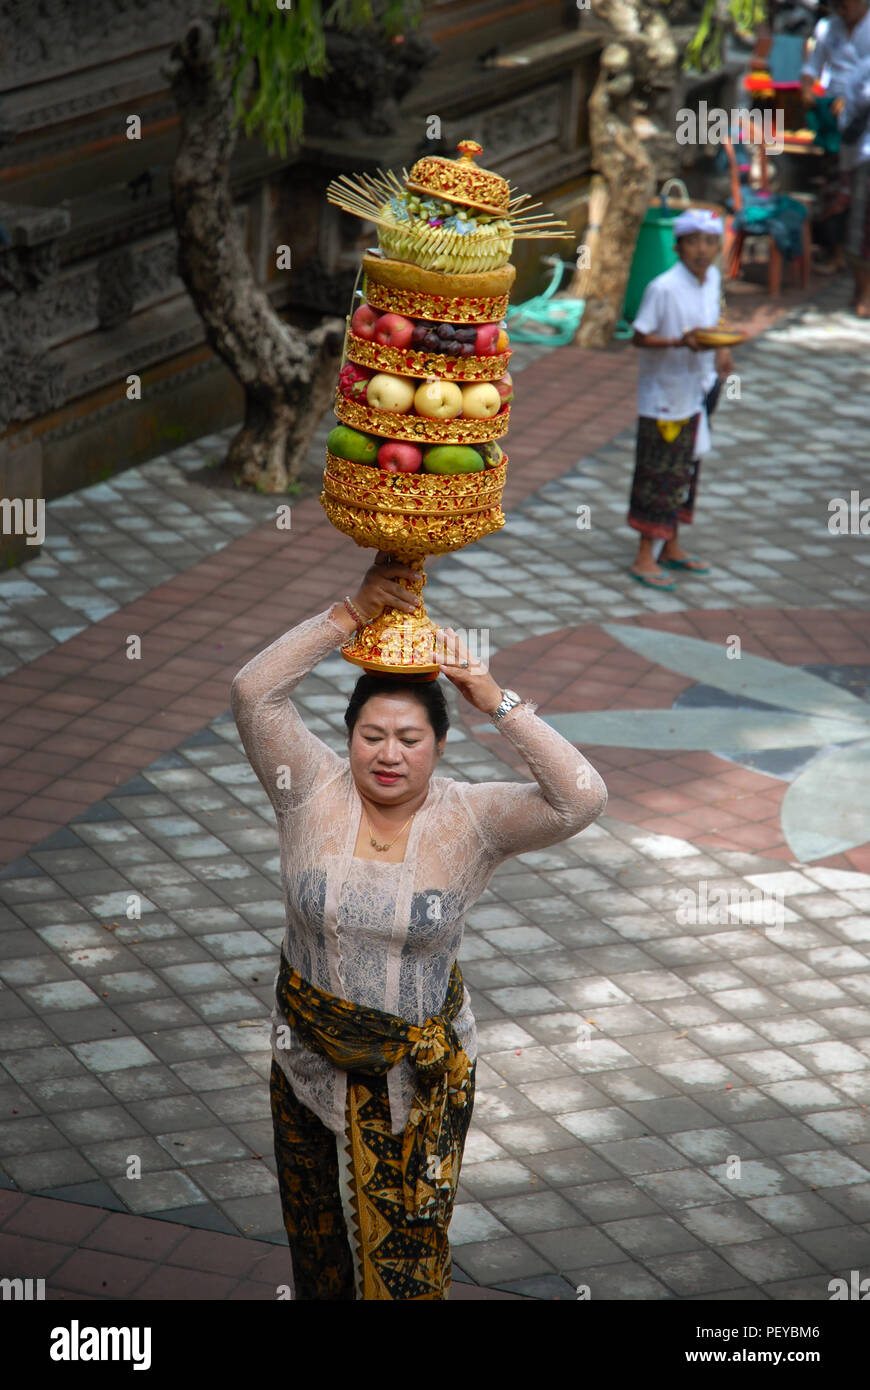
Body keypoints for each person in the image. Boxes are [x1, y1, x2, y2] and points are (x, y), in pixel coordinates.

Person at [230, 556, 608, 1300]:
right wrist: (349, 612)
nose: (389, 755)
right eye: (372, 735)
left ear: (440, 745)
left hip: (418, 1079)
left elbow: (581, 799)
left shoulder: (472, 818)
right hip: (304, 1058)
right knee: (316, 1243)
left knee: (403, 1270)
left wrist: (491, 696)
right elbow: (253, 692)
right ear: (346, 738)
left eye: (410, 738)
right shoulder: (306, 788)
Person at [627, 207, 735, 590]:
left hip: (700, 388)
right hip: (664, 397)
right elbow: (638, 336)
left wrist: (721, 349)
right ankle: (644, 556)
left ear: (718, 246)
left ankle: (671, 545)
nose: (702, 250)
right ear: (678, 247)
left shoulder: (712, 279)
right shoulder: (663, 288)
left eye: (709, 242)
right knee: (658, 471)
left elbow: (714, 317)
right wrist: (679, 342)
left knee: (687, 469)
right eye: (693, 242)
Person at [801, 0, 870, 295]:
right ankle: (839, 254)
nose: (842, 8)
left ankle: (861, 282)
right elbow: (811, 67)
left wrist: (855, 103)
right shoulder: (828, 28)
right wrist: (808, 90)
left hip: (864, 126)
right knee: (837, 196)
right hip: (836, 124)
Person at [839, 51, 870, 310]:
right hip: (866, 157)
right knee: (859, 231)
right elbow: (848, 112)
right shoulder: (864, 70)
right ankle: (863, 291)